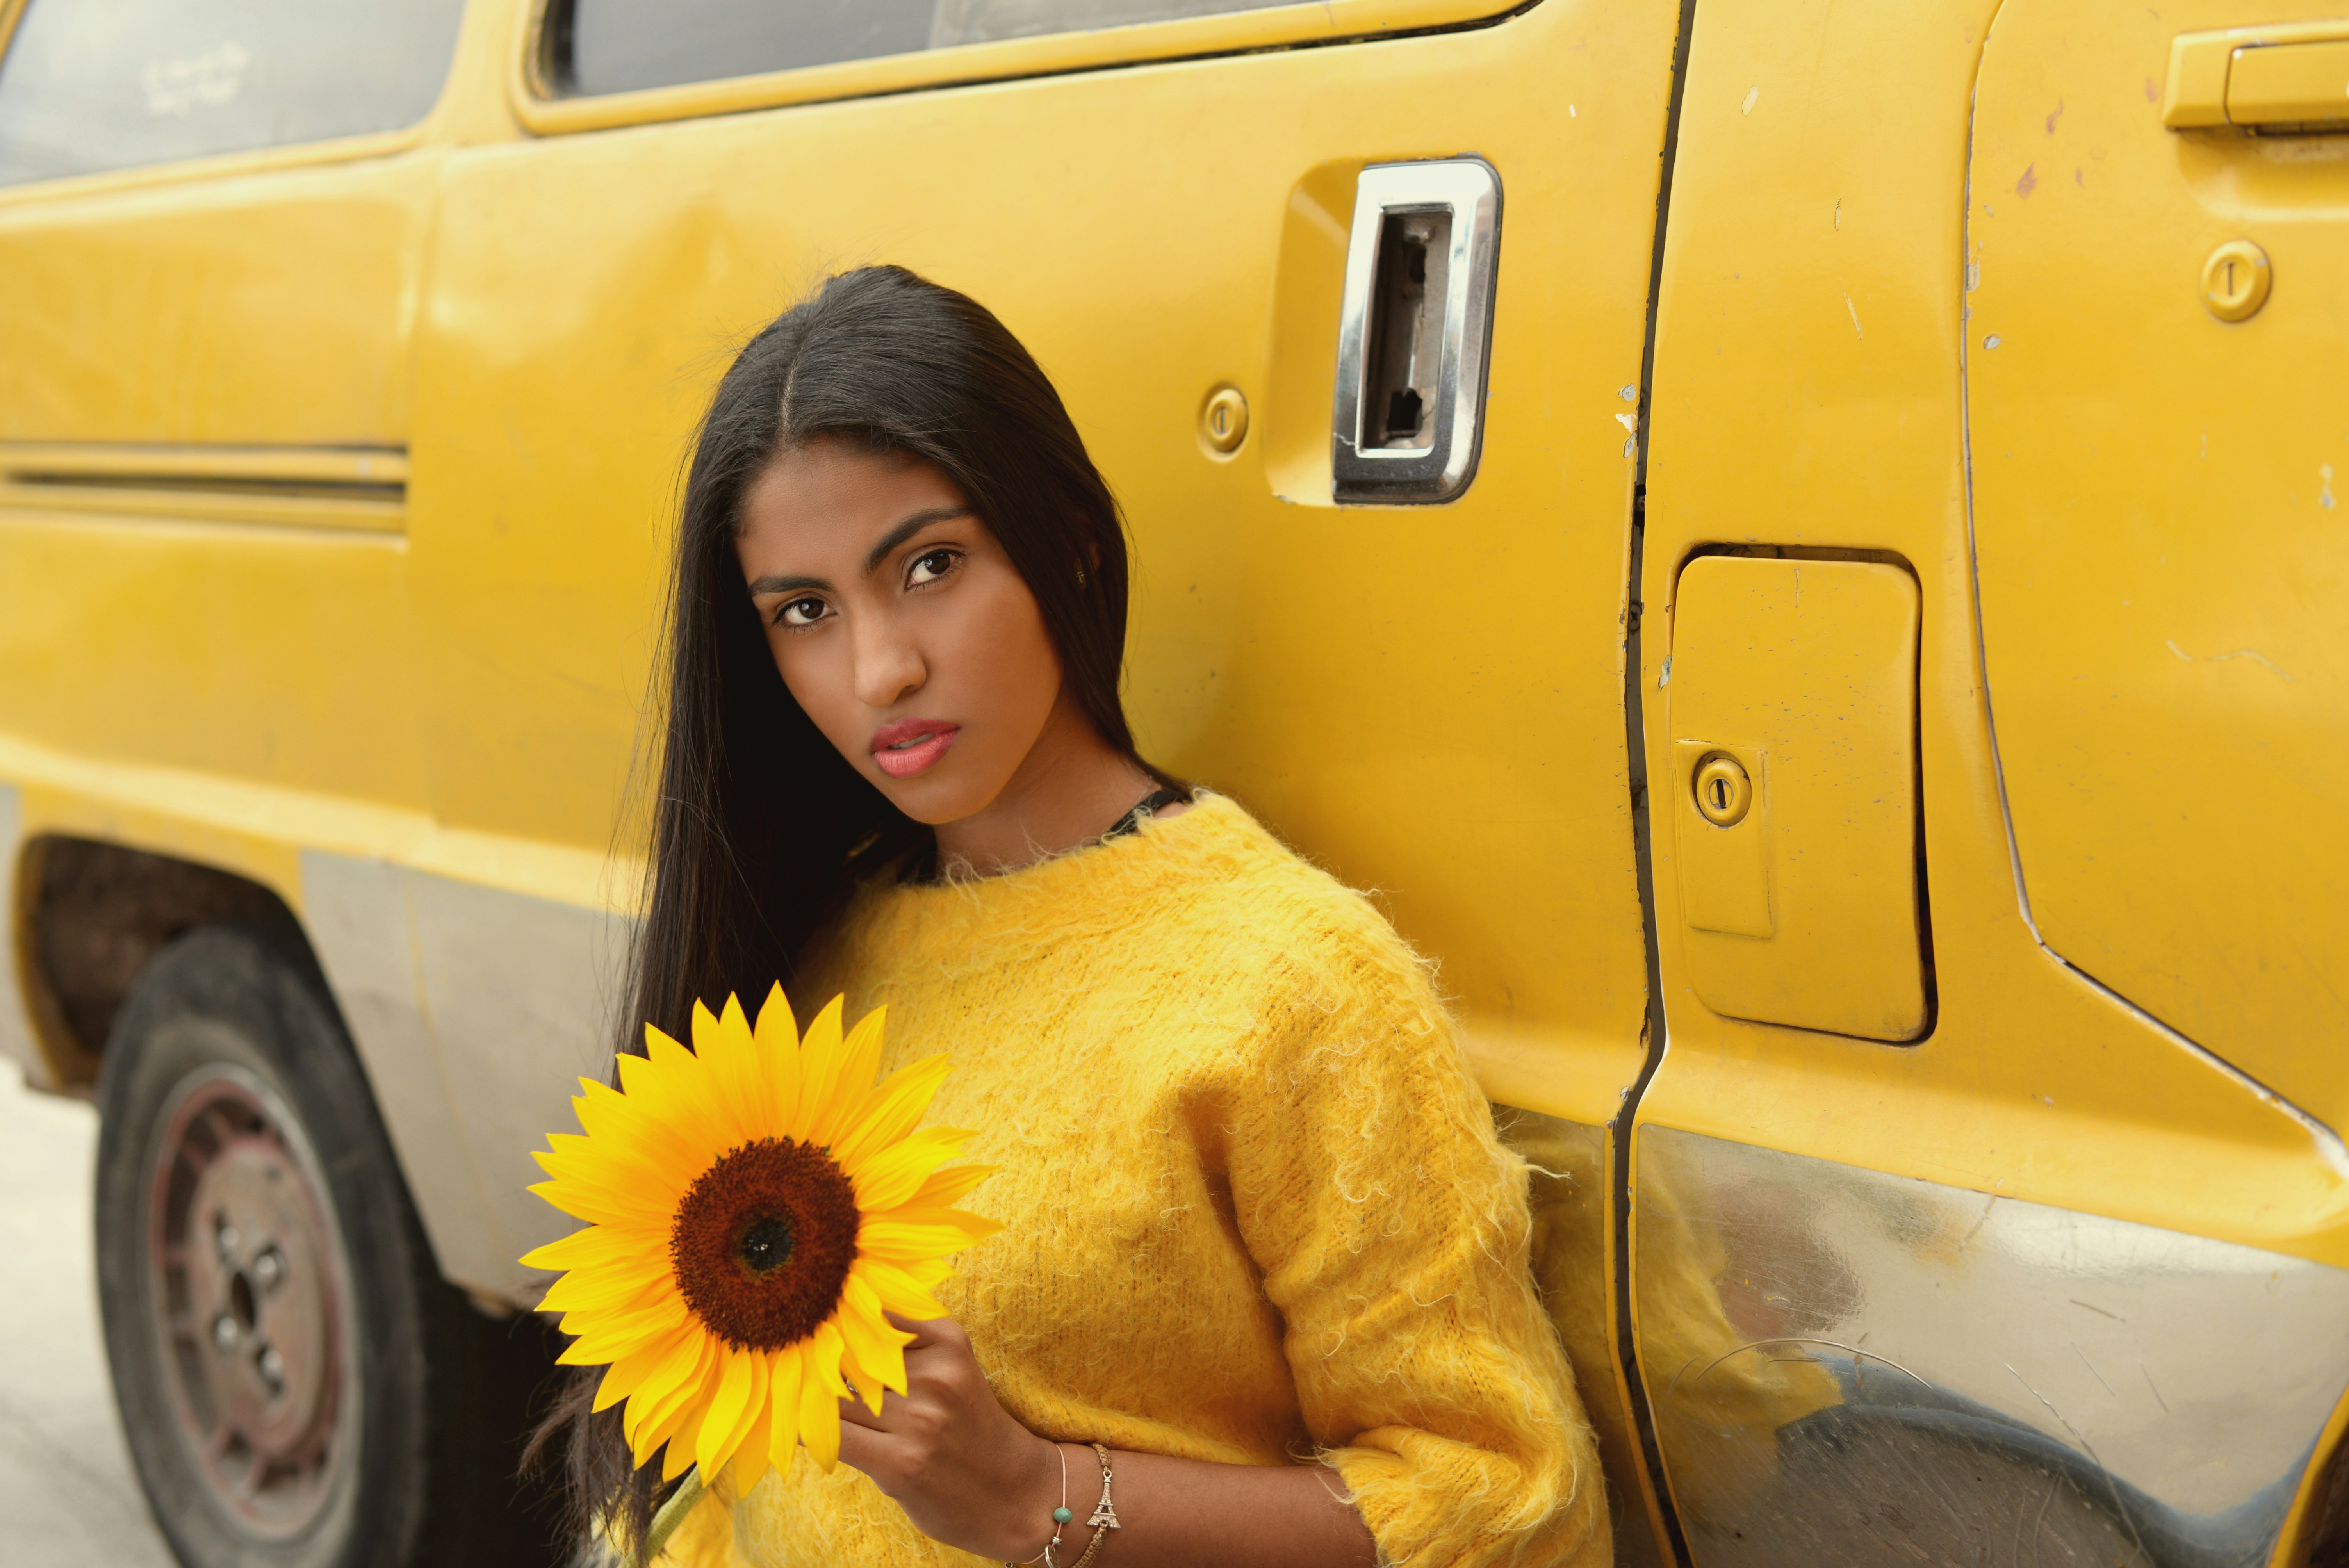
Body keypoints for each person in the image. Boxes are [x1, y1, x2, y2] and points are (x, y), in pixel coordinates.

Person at [537, 264, 1610, 1568]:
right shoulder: (803, 950)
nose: (880, 670)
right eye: (804, 612)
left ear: (1071, 546)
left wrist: (1038, 1499)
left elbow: (1509, 1502)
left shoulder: (1288, 981)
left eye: (930, 566)